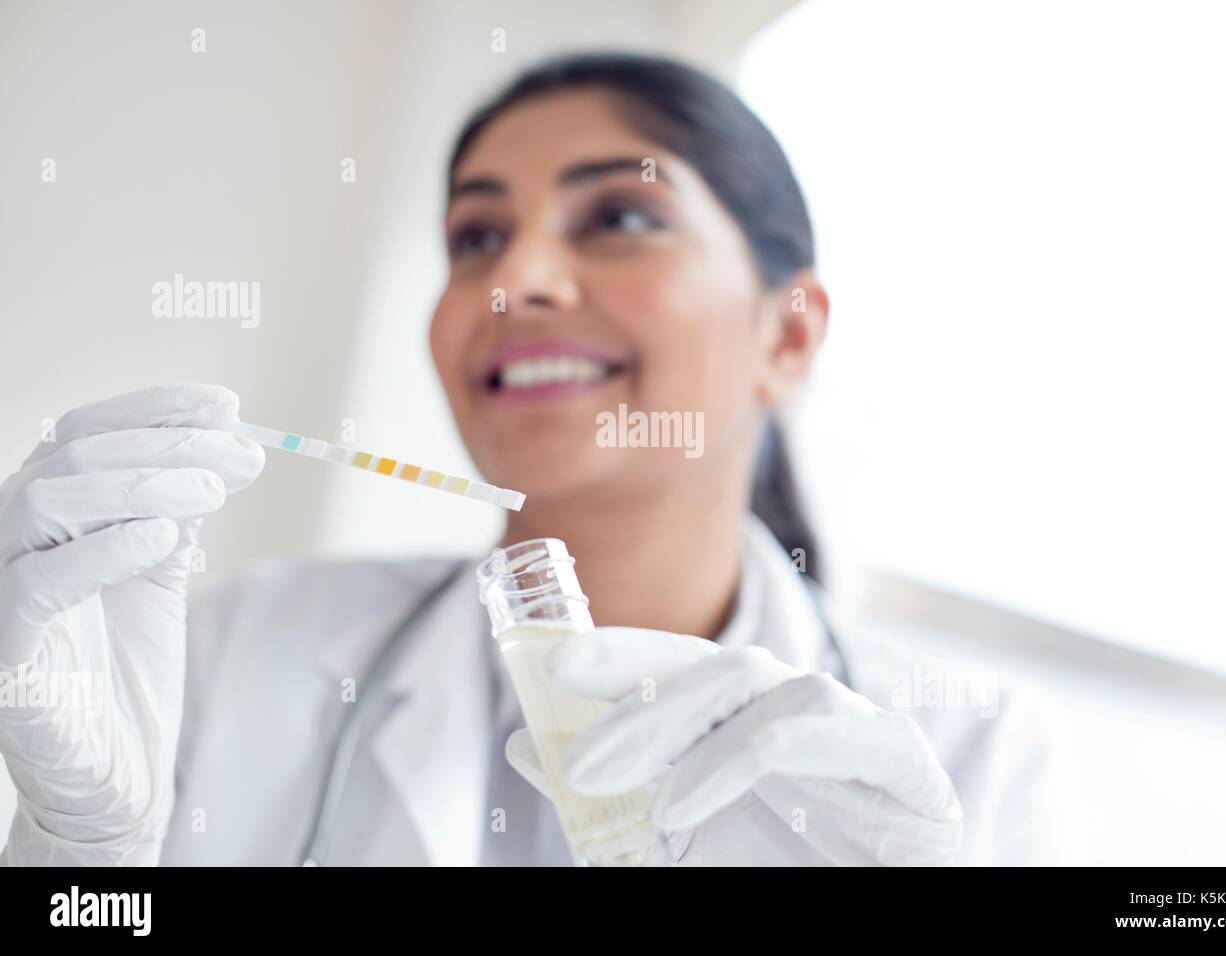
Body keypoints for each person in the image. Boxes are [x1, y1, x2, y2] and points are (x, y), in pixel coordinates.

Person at [0, 53, 1074, 866]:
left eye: (618, 215)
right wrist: (75, 858)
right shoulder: (239, 651)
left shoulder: (966, 752)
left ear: (787, 334)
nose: (517, 279)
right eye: (475, 237)